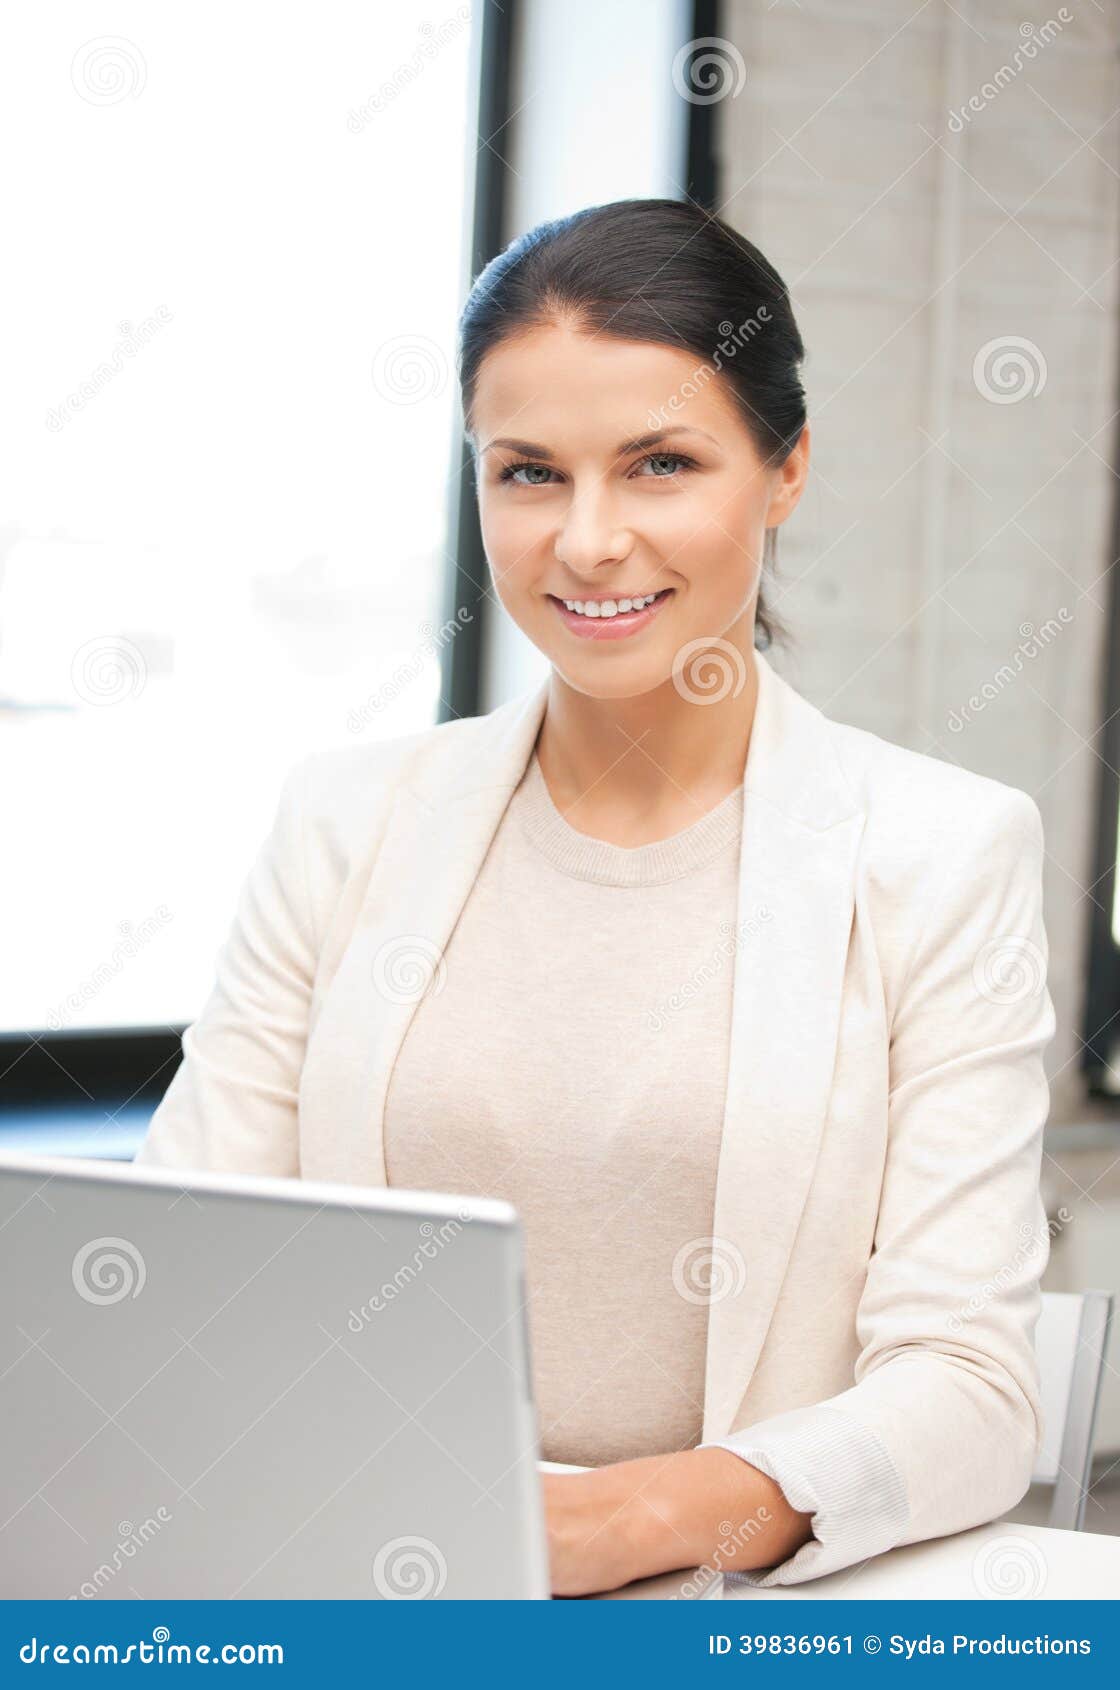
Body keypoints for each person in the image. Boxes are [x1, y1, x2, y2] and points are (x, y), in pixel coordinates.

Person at [135, 198, 1057, 1596]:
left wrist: (606, 1528)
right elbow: (184, 1268)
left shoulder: (942, 851)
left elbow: (970, 1387)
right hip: (351, 1578)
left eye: (662, 464)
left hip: (713, 1598)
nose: (587, 541)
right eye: (527, 473)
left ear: (786, 468)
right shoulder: (346, 818)